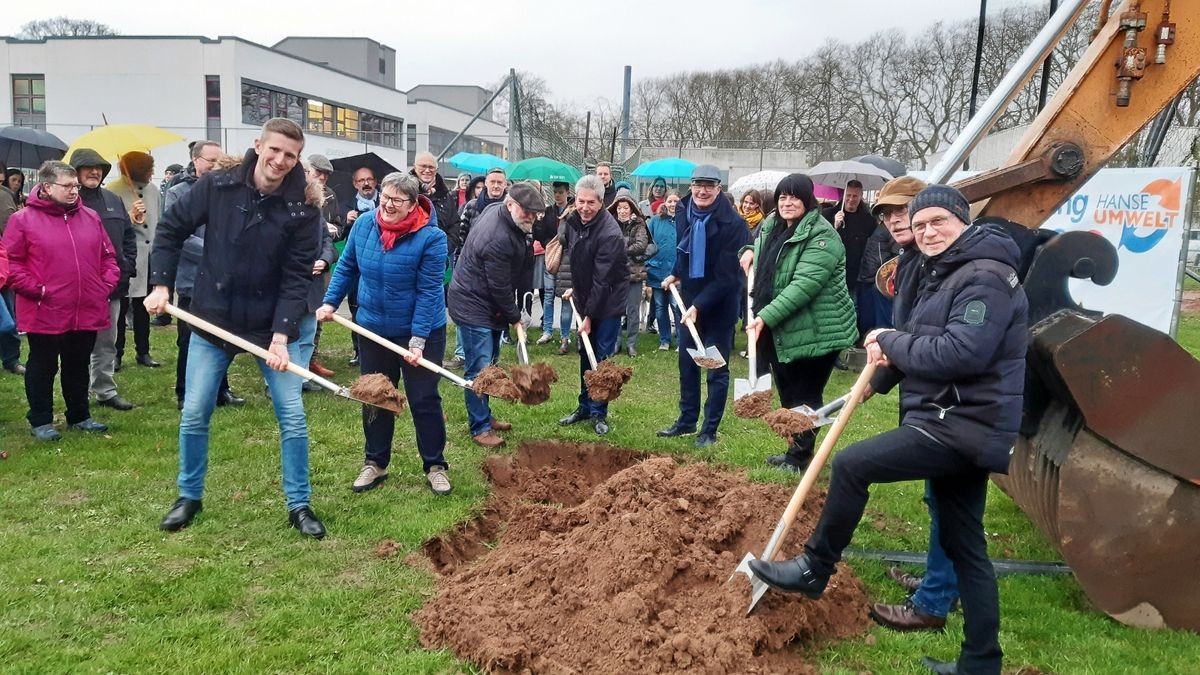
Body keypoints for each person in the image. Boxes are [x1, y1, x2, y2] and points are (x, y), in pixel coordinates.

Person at [750, 185, 1028, 675]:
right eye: (919, 226)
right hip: (954, 419)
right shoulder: (945, 273)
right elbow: (922, 342)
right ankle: (981, 663)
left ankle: (815, 567)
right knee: (966, 548)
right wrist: (875, 380)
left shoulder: (984, 277)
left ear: (963, 221)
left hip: (960, 423)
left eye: (936, 221)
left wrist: (891, 340)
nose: (926, 231)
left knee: (853, 464)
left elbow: (961, 353)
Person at [145, 118, 326, 539]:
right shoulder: (218, 186)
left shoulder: (303, 207)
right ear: (258, 145)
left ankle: (299, 505)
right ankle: (189, 496)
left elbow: (297, 275)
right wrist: (160, 284)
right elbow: (170, 229)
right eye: (275, 150)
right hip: (214, 316)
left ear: (297, 160)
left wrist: (282, 336)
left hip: (268, 327)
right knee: (194, 412)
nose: (280, 160)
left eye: (291, 155)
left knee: (293, 417)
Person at [860, 176, 969, 635]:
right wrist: (877, 381)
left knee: (951, 502)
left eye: (903, 211)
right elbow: (909, 340)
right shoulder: (912, 263)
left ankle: (935, 599)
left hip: (955, 407)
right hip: (929, 398)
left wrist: (887, 361)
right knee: (940, 498)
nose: (896, 221)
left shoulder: (938, 268)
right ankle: (938, 581)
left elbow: (936, 345)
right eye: (887, 215)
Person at [319, 173, 453, 495]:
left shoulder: (432, 238)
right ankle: (375, 463)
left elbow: (429, 292)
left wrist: (417, 341)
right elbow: (348, 266)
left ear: (412, 205)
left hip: (420, 331)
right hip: (374, 327)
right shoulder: (365, 225)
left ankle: (435, 465)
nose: (388, 205)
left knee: (424, 400)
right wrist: (329, 303)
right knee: (376, 396)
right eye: (385, 197)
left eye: (397, 200)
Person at [738, 174, 858, 471]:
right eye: (782, 197)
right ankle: (794, 450)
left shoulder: (822, 236)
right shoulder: (771, 225)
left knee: (806, 395)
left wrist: (764, 316)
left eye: (794, 197)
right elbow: (757, 244)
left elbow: (802, 286)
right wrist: (748, 251)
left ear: (808, 201)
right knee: (789, 392)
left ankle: (800, 457)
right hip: (783, 328)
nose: (787, 202)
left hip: (817, 331)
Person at [1, 160, 119, 441]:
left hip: (86, 306)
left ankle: (79, 415)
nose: (73, 191)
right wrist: (37, 290)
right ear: (46, 187)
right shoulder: (23, 220)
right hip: (46, 308)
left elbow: (108, 256)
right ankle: (40, 419)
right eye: (67, 186)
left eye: (75, 186)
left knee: (78, 363)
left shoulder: (90, 217)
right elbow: (11, 262)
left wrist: (104, 285)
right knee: (43, 365)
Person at [656, 165, 748, 448]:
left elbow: (727, 276)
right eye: (698, 184)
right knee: (688, 363)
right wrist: (675, 272)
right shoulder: (684, 210)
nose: (702, 191)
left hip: (720, 304)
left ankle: (709, 430)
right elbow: (684, 249)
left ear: (719, 188)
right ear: (691, 186)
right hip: (692, 300)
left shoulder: (734, 224)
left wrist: (698, 305)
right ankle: (686, 421)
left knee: (715, 368)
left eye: (709, 185)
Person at [448, 182, 545, 448]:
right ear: (510, 204)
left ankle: (485, 416)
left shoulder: (497, 211)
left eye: (535, 213)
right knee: (478, 370)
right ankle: (479, 427)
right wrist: (516, 319)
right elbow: (500, 287)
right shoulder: (498, 237)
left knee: (489, 365)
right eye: (526, 211)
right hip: (472, 304)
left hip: (486, 303)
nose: (531, 217)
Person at [166, 141, 244, 410]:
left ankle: (222, 389)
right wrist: (216, 254)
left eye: (219, 160)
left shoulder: (226, 191)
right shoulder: (178, 193)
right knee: (189, 338)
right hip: (192, 279)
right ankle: (185, 392)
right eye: (210, 160)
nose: (215, 165)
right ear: (195, 160)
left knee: (223, 335)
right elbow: (180, 236)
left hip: (225, 280)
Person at [68, 148, 139, 412]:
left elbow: (128, 237)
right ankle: (76, 392)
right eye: (88, 168)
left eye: (99, 168)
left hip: (113, 287)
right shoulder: (68, 203)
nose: (94, 172)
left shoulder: (113, 199)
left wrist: (127, 266)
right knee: (78, 344)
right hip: (79, 289)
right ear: (75, 172)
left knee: (107, 341)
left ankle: (105, 389)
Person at [557, 175, 627, 435]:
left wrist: (588, 316)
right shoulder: (575, 222)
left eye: (591, 203)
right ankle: (584, 406)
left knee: (601, 358)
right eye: (581, 201)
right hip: (587, 296)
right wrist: (576, 291)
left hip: (608, 301)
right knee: (585, 355)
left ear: (601, 202)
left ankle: (600, 413)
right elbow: (580, 263)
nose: (585, 207)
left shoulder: (609, 233)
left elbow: (603, 279)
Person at [107, 151, 162, 369]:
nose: (152, 174)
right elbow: (110, 228)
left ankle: (143, 351)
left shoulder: (153, 190)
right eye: (149, 170)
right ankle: (116, 353)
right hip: (126, 258)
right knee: (120, 308)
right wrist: (130, 217)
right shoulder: (111, 192)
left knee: (143, 308)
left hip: (149, 259)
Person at [450, 168, 507, 368]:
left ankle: (493, 358)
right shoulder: (472, 206)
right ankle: (461, 354)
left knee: (498, 313)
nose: (496, 186)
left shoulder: (510, 208)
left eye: (500, 182)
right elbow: (461, 237)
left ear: (505, 185)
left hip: (497, 271)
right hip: (471, 271)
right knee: (467, 312)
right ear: (485, 184)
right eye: (493, 182)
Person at [302, 154, 342, 380]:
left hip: (320, 266)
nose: (323, 177)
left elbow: (336, 228)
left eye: (326, 174)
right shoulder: (293, 195)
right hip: (296, 269)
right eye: (319, 172)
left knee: (316, 313)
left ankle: (311, 360)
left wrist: (333, 229)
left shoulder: (330, 196)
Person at [822, 179, 877, 341]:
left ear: (861, 197)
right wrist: (834, 226)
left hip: (855, 273)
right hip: (831, 271)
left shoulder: (868, 220)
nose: (851, 200)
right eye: (849, 195)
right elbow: (820, 242)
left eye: (855, 196)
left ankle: (848, 339)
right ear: (843, 194)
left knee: (852, 307)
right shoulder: (828, 215)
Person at [343, 166, 381, 366]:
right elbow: (338, 234)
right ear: (355, 184)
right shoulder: (346, 205)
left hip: (379, 262)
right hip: (357, 265)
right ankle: (359, 350)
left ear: (375, 181)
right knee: (356, 307)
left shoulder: (385, 201)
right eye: (361, 180)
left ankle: (380, 346)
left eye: (369, 179)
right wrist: (345, 221)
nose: (366, 183)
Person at [608, 188, 649, 357]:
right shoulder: (609, 223)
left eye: (625, 207)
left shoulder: (639, 224)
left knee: (633, 311)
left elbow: (641, 244)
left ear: (631, 208)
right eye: (619, 207)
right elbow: (607, 243)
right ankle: (616, 341)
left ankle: (632, 343)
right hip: (615, 274)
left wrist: (621, 247)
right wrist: (627, 245)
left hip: (635, 273)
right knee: (616, 310)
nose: (622, 211)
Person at [536, 181, 571, 347]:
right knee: (548, 294)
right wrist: (548, 245)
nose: (558, 195)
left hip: (567, 260)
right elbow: (539, 233)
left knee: (565, 297)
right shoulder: (548, 211)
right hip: (550, 257)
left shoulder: (572, 211)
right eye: (555, 192)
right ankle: (547, 330)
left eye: (561, 192)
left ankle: (565, 334)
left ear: (567, 192)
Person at [646, 192, 680, 351]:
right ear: (664, 202)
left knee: (677, 306)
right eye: (670, 201)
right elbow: (647, 243)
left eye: (676, 201)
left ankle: (681, 339)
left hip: (676, 272)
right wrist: (648, 264)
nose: (673, 204)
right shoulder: (655, 221)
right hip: (657, 271)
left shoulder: (684, 221)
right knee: (660, 307)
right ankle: (664, 339)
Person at [1, 162, 25, 375]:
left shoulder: (5, 195)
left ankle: (11, 359)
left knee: (8, 321)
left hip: (3, 263)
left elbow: (8, 228)